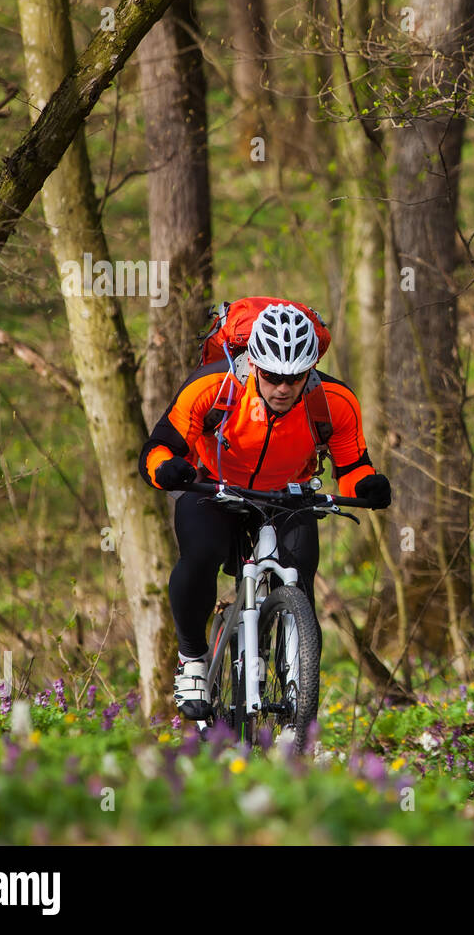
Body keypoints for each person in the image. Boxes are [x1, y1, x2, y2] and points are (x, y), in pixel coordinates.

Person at [137, 303, 390, 720]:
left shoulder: (335, 402)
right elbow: (159, 446)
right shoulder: (213, 388)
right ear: (253, 362)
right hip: (214, 487)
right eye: (272, 376)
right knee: (200, 555)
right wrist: (167, 469)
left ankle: (297, 683)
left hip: (287, 496)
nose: (283, 388)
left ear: (310, 369)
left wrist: (366, 485)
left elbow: (352, 465)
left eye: (295, 377)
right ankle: (193, 659)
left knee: (301, 570)